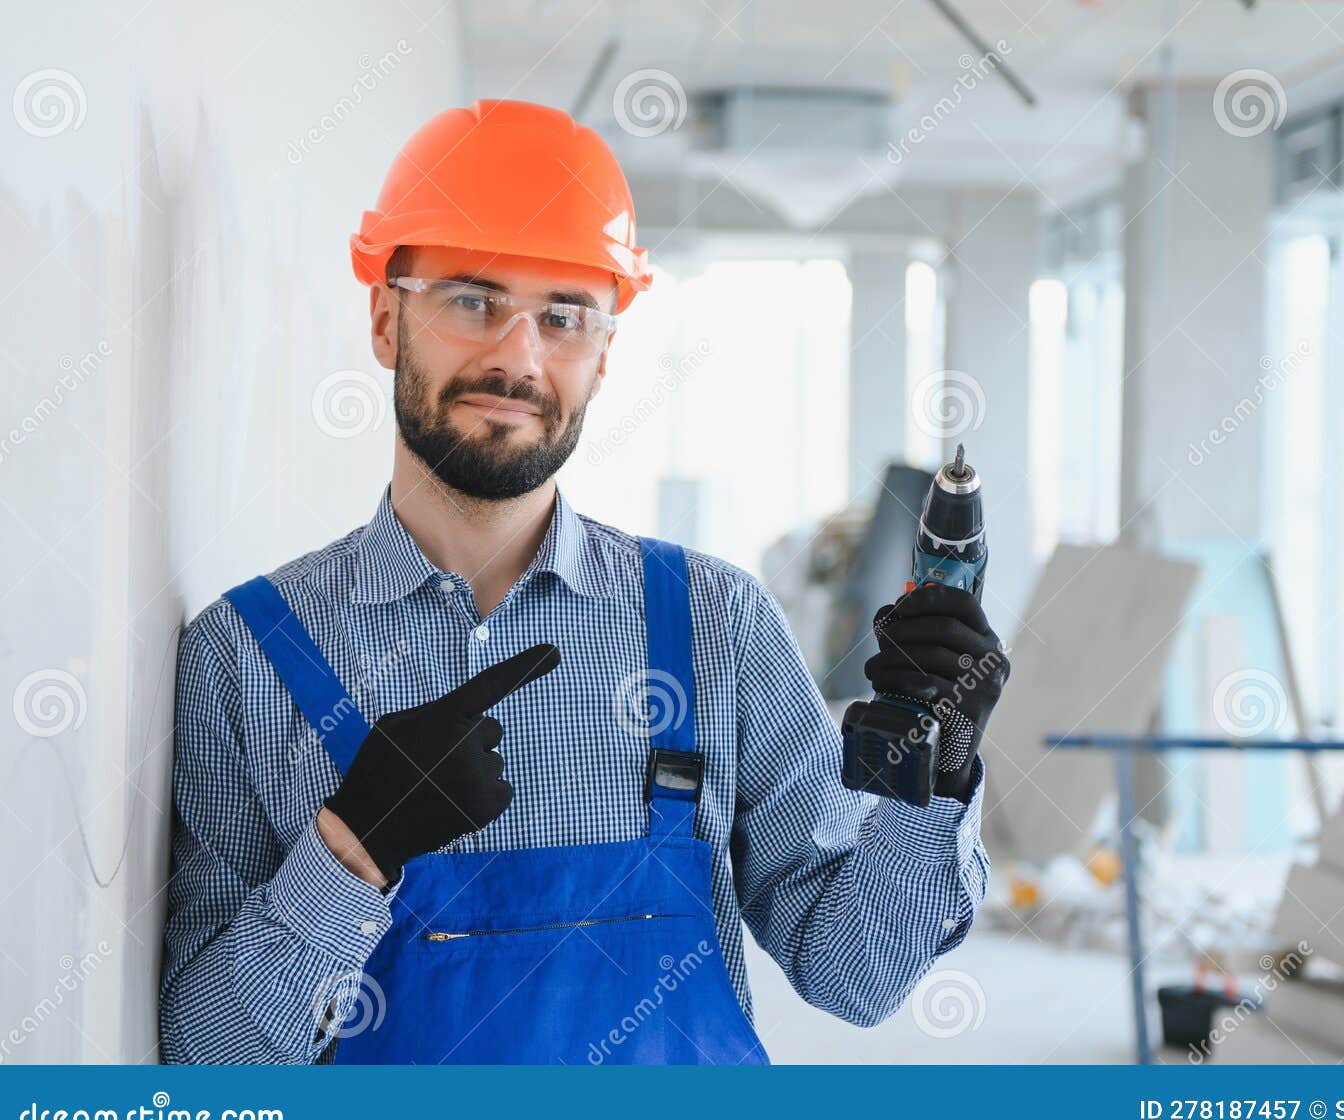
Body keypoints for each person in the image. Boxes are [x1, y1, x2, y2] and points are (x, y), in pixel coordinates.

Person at [158, 99, 1009, 1065]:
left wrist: (933, 782)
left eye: (562, 317)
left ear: (603, 356)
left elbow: (855, 971)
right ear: (386, 320)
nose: (517, 358)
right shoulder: (246, 657)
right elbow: (204, 1065)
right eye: (472, 299)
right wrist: (351, 851)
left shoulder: (714, 625)